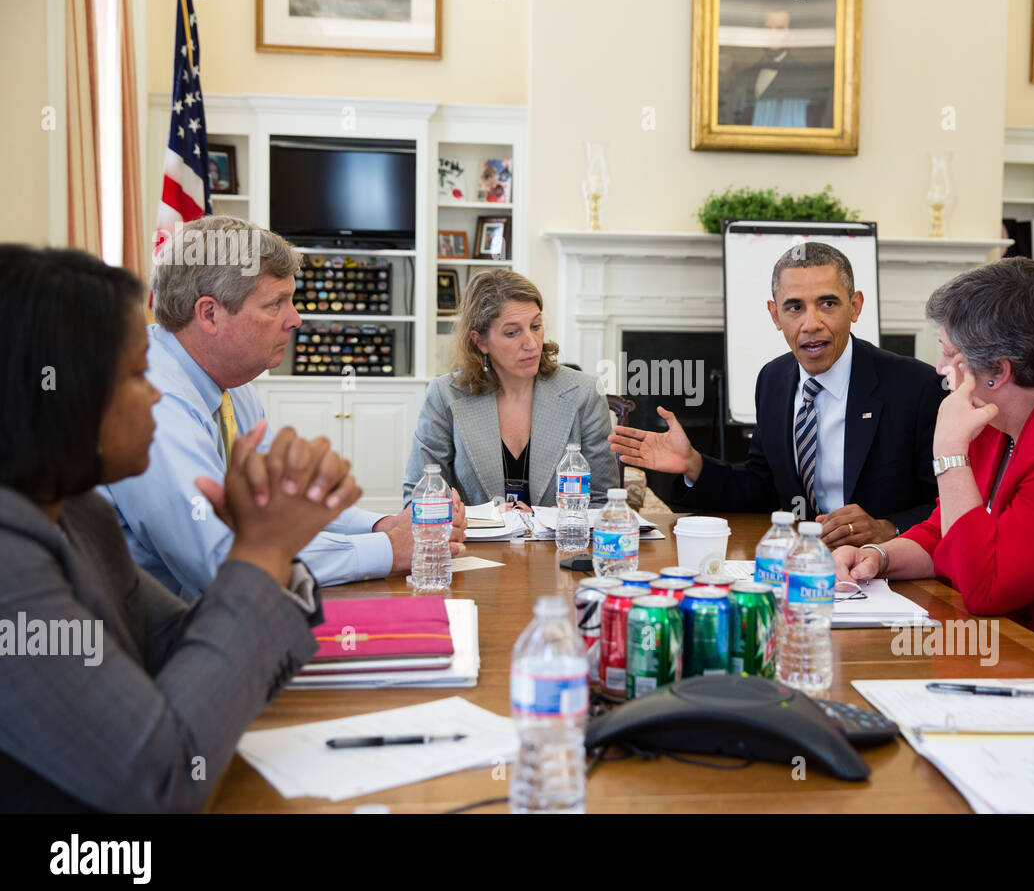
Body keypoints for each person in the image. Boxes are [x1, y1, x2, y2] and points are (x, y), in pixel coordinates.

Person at [0, 245, 355, 812]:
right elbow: (158, 782)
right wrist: (262, 550)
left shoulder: (80, 513)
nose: (158, 395)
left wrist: (262, 551)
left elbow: (177, 645)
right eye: (139, 373)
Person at [99, 215, 465, 600]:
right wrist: (391, 549)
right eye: (276, 304)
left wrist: (385, 526)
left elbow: (287, 501)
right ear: (209, 314)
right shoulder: (152, 400)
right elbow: (224, 557)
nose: (296, 319)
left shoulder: (229, 383)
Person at [833, 257, 1034, 683]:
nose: (941, 371)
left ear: (998, 371)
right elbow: (949, 530)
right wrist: (877, 558)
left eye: (949, 354)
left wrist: (949, 452)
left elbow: (985, 589)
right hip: (1021, 655)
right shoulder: (999, 413)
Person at [611, 242, 944, 548]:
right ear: (775, 315)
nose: (811, 323)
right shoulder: (773, 379)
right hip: (801, 561)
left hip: (890, 568)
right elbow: (761, 487)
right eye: (795, 307)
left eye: (827, 303)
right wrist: (694, 465)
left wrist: (890, 528)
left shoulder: (916, 386)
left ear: (854, 307)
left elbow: (950, 502)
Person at [403, 269, 618, 508]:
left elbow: (603, 501)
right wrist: (489, 520)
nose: (531, 343)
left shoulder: (584, 392)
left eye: (535, 326)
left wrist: (536, 521)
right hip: (474, 545)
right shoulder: (445, 394)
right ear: (480, 341)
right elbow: (418, 496)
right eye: (512, 332)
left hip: (558, 544)